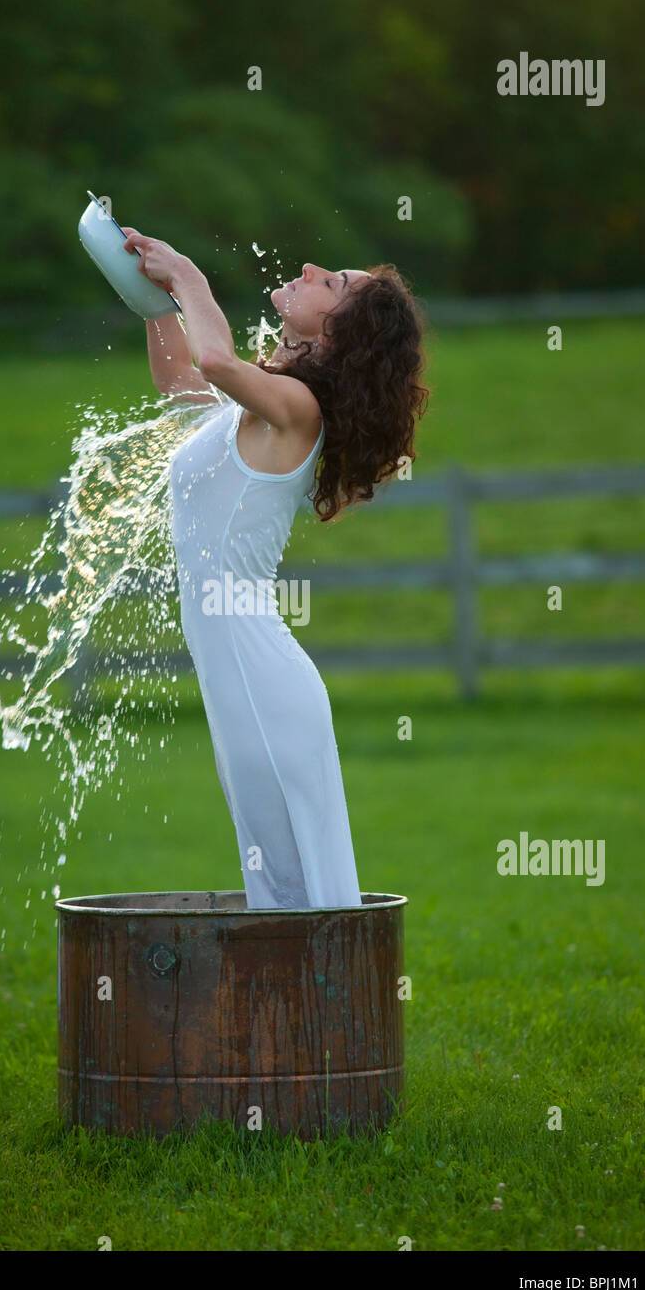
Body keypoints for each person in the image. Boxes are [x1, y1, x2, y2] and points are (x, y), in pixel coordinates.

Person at [122, 227, 428, 909]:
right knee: (282, 893)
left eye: (334, 282)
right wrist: (153, 301)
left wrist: (190, 279)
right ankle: (303, 1018)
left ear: (347, 334)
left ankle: (334, 1016)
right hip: (243, 684)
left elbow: (215, 359)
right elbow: (181, 380)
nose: (312, 266)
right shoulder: (254, 413)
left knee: (299, 895)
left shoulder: (300, 412)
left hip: (265, 686)